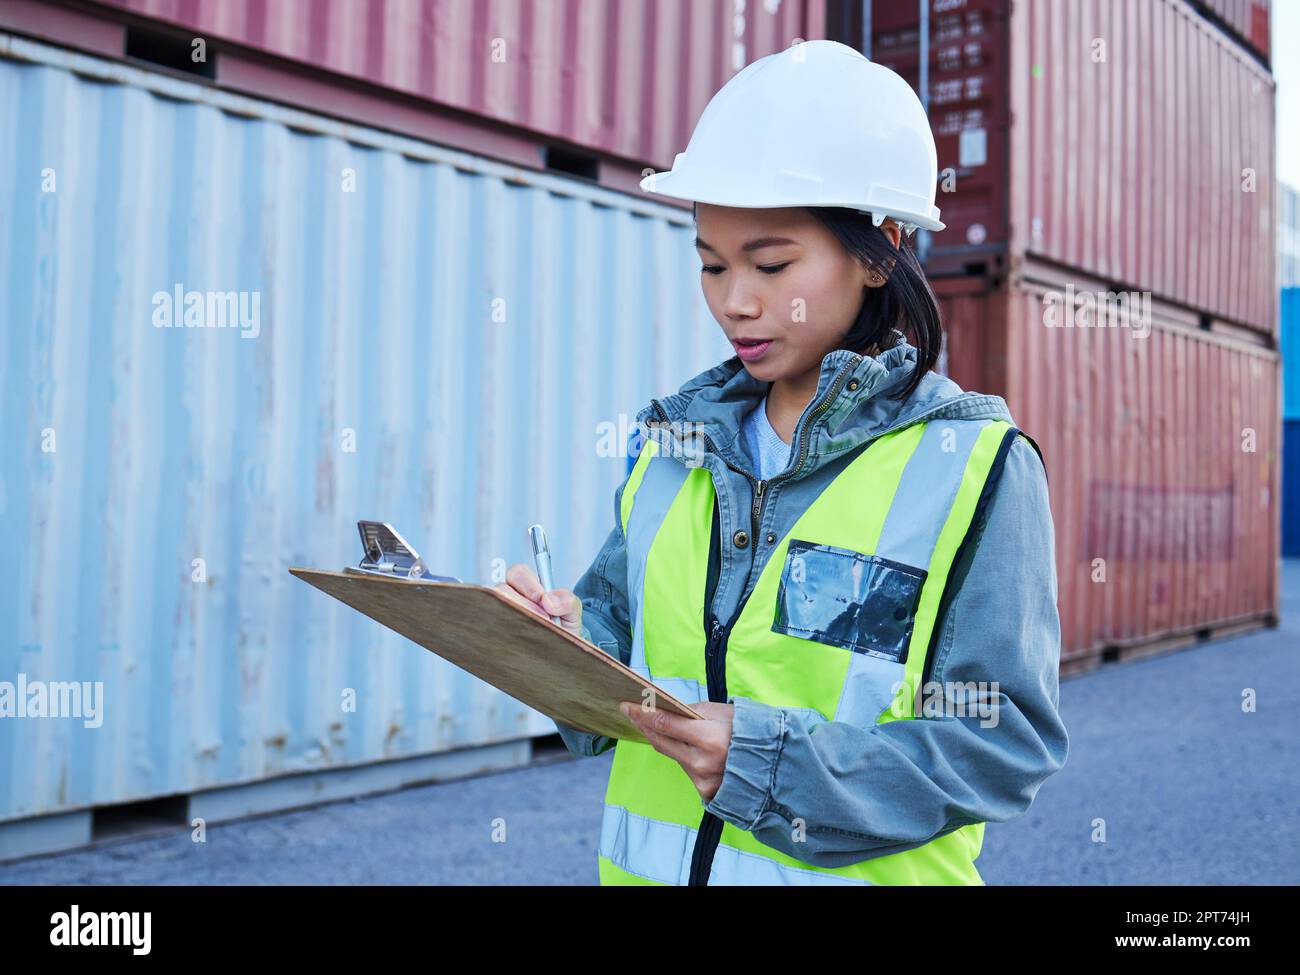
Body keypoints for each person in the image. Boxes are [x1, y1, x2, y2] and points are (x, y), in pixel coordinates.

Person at [495, 39, 1068, 885]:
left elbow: (1000, 739)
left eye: (771, 264)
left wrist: (768, 763)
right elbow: (624, 647)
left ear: (882, 251)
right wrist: (558, 643)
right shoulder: (672, 447)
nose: (735, 300)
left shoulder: (975, 467)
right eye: (712, 265)